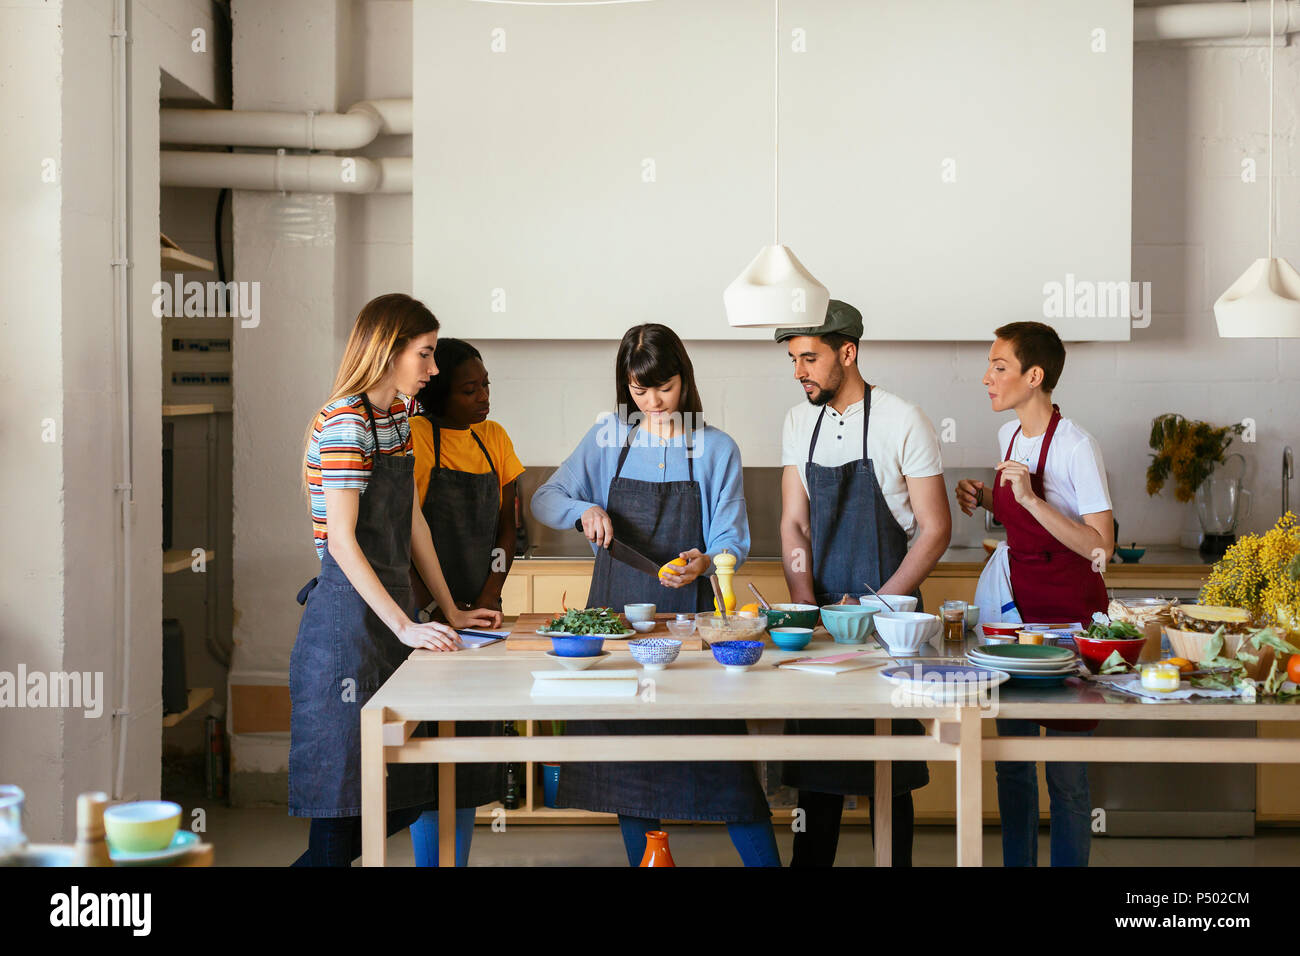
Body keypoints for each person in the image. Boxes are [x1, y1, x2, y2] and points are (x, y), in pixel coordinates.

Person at [531, 323, 780, 866]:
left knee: (726, 770)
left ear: (684, 380)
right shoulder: (609, 438)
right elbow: (546, 498)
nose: (653, 402)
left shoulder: (716, 448)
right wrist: (584, 511)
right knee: (628, 772)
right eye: (639, 392)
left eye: (663, 388)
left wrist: (706, 561)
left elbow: (732, 537)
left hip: (689, 634)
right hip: (617, 632)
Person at [289, 293, 501, 867]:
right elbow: (341, 540)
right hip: (343, 634)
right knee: (339, 827)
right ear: (388, 351)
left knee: (403, 796)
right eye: (426, 355)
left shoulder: (395, 420)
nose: (433, 370)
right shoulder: (344, 422)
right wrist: (406, 623)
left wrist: (448, 611)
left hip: (387, 629)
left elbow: (412, 524)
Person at [776, 300, 951, 867]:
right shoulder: (799, 422)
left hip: (890, 629)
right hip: (821, 627)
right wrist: (806, 605)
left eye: (809, 357)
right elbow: (794, 524)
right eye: (793, 359)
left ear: (846, 353)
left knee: (888, 775)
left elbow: (935, 528)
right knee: (817, 778)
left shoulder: (905, 419)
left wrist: (877, 604)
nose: (799, 370)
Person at [955, 320, 1114, 867]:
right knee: (1012, 765)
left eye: (999, 366)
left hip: (1068, 623)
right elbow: (1024, 521)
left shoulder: (1077, 447)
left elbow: (1101, 547)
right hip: (1013, 625)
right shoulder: (1007, 438)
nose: (987, 378)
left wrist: (1028, 497)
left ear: (1034, 375)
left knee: (1066, 776)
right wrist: (990, 499)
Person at [406, 337, 525, 866]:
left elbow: (507, 530)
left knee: (470, 752)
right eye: (468, 390)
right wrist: (434, 612)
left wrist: (488, 596)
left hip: (477, 617)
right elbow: (407, 537)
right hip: (425, 620)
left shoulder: (493, 438)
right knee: (431, 757)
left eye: (486, 386)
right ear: (438, 396)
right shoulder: (416, 437)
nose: (483, 398)